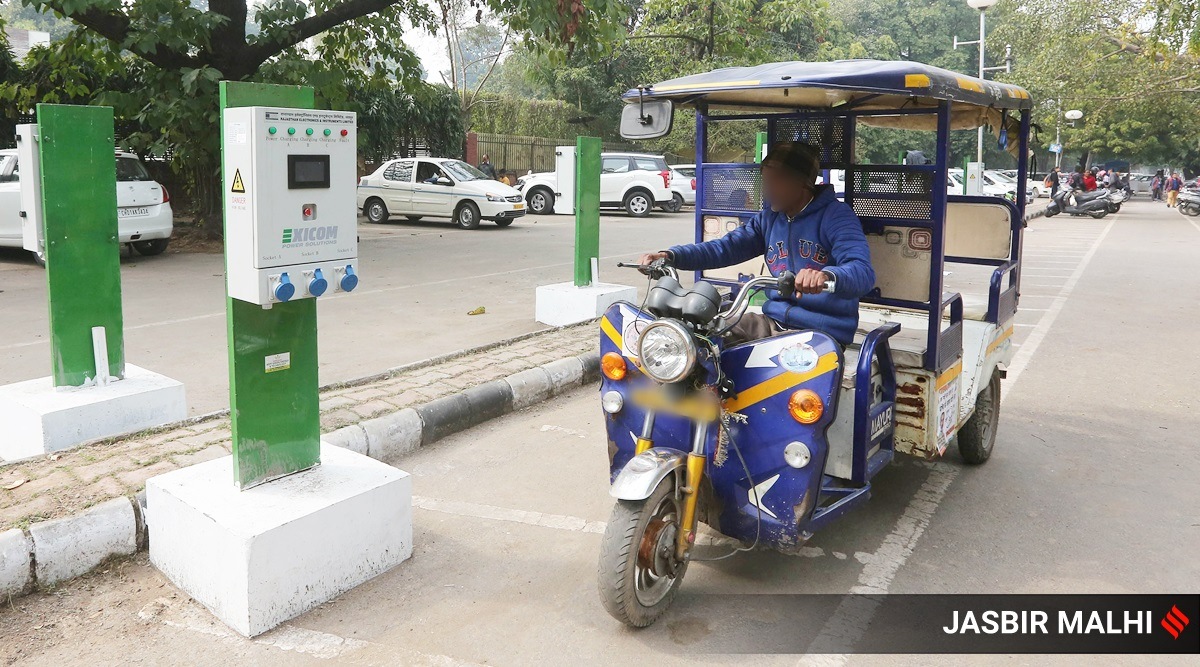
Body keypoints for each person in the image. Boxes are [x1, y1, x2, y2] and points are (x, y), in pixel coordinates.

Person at [635, 142, 875, 346]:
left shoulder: (836, 216)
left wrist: (826, 277)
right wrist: (672, 256)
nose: (767, 190)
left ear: (802, 184)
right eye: (765, 181)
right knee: (702, 339)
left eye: (775, 182)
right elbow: (724, 248)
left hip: (823, 333)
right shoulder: (769, 218)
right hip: (773, 322)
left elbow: (862, 271)